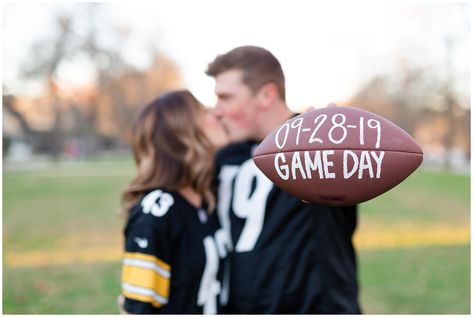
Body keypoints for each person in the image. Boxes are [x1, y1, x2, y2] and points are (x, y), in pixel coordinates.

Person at [206, 46, 361, 313]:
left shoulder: (315, 147)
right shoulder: (228, 154)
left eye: (226, 98)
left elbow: (342, 191)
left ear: (266, 95)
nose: (217, 110)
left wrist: (335, 155)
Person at [118, 90, 230, 314]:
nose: (217, 114)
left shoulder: (205, 199)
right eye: (204, 111)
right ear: (184, 133)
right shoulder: (156, 213)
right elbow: (138, 309)